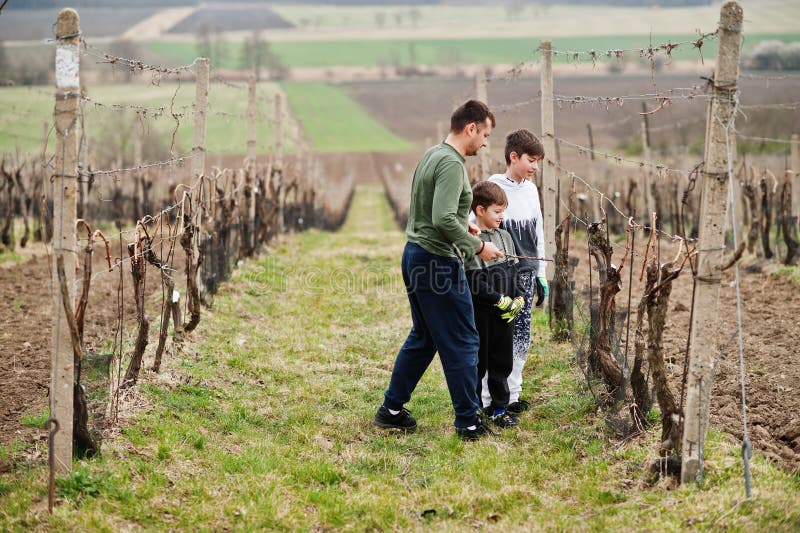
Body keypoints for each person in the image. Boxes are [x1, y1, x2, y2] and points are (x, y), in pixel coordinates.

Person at [373, 100, 503, 441]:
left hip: (415, 254)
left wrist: (466, 226)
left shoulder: (433, 154)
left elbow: (440, 214)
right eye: (485, 134)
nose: (486, 142)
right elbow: (442, 218)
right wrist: (478, 246)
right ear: (470, 128)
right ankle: (468, 423)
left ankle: (391, 410)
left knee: (425, 336)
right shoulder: (451, 165)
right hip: (436, 263)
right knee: (463, 339)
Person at [480, 129, 546, 415]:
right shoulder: (493, 188)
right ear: (513, 156)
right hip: (502, 275)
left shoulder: (531, 190)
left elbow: (539, 231)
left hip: (527, 275)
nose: (535, 167)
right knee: (497, 337)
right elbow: (477, 228)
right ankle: (487, 398)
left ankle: (513, 394)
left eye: (538, 161)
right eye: (531, 160)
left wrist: (541, 272)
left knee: (522, 335)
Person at [463, 181, 524, 429]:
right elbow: (474, 281)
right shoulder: (472, 242)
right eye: (496, 211)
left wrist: (518, 297)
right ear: (480, 210)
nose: (502, 216)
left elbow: (515, 270)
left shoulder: (506, 237)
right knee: (477, 363)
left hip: (505, 314)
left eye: (503, 211)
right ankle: (474, 409)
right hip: (483, 314)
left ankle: (500, 408)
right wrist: (498, 300)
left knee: (502, 362)